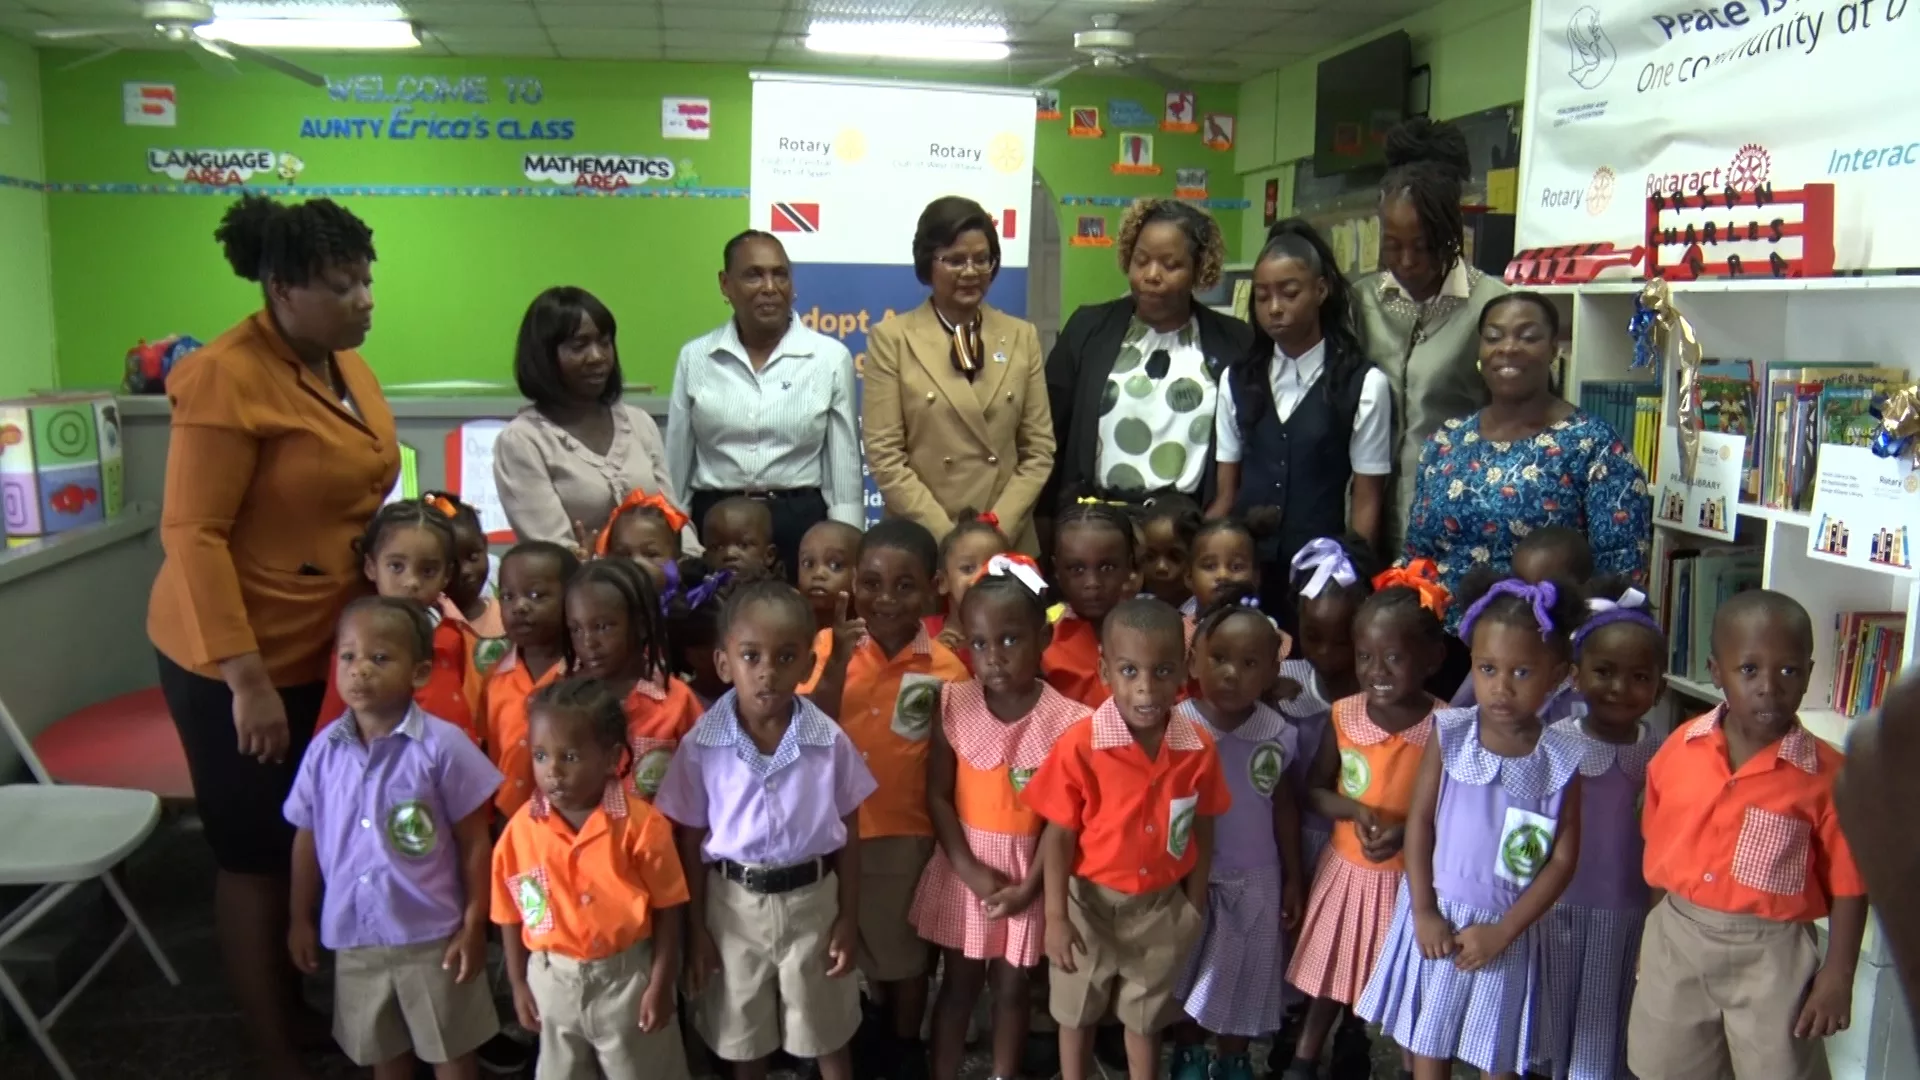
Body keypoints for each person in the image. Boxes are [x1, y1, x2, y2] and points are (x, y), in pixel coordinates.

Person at [147, 193, 396, 1078]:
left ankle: (306, 1006)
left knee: (316, 835)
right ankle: (269, 1039)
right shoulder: (224, 375)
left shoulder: (343, 364)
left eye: (367, 279)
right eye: (342, 285)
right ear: (282, 288)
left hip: (324, 647)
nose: (366, 298)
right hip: (235, 659)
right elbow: (193, 535)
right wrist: (245, 680)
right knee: (254, 850)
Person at [1630, 590, 1867, 1080]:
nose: (1769, 687)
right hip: (1679, 937)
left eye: (1789, 671)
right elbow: (1659, 842)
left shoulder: (1830, 777)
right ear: (1717, 672)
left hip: (1774, 954)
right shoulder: (1682, 748)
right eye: (1749, 670)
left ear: (1809, 671)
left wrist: (1839, 975)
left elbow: (1850, 883)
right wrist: (1656, 934)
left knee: (1778, 1069)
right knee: (1668, 1067)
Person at [1358, 577, 1587, 1080]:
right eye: (1487, 669)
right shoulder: (1452, 732)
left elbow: (1564, 860)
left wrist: (1504, 931)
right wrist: (1422, 910)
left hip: (1506, 929)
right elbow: (1419, 823)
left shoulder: (1563, 757)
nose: (1500, 687)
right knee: (1429, 1045)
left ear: (1558, 675)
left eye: (1522, 672)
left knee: (1498, 1054)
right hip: (1439, 916)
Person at [653, 581, 878, 1080]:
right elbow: (689, 841)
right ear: (723, 662)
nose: (767, 673)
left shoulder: (828, 740)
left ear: (806, 665)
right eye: (751, 656)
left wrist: (847, 918)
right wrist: (697, 931)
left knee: (827, 1031)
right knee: (742, 1036)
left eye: (786, 657)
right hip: (732, 907)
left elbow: (850, 831)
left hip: (814, 902)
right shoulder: (700, 745)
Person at [285, 597, 503, 1079]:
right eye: (348, 657)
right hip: (355, 936)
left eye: (380, 658)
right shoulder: (323, 751)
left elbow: (473, 841)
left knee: (451, 1050)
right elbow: (306, 838)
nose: (360, 670)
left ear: (419, 672)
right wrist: (300, 917)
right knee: (384, 1052)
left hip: (432, 936)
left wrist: (473, 923)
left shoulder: (442, 746)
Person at [1023, 598, 1228, 1080]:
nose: (1145, 688)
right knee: (1076, 1011)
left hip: (1160, 908)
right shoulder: (1080, 744)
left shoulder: (1197, 746)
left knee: (1145, 1013)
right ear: (1105, 671)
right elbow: (1058, 836)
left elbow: (1203, 822)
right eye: (1130, 671)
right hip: (1087, 905)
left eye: (1161, 671)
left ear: (1183, 672)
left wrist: (1193, 903)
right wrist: (1055, 916)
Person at [800, 519, 970, 1079]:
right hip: (836, 829)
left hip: (906, 830)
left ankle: (903, 1042)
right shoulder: (825, 648)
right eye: (871, 582)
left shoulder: (947, 669)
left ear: (933, 588)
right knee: (854, 946)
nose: (885, 599)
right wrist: (837, 669)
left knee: (905, 954)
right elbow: (806, 730)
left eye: (904, 585)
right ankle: (874, 1024)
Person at [913, 556, 1089, 1080]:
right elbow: (938, 797)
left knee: (1012, 989)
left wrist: (1030, 887)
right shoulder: (954, 704)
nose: (992, 657)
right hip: (964, 866)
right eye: (980, 643)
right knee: (958, 985)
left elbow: (1063, 822)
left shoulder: (1067, 722)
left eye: (1010, 640)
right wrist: (967, 868)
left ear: (1043, 636)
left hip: (1029, 873)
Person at [1282, 571, 1447, 1080]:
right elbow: (1314, 790)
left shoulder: (1444, 726)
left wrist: (1407, 832)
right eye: (1365, 657)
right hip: (1347, 873)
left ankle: (1407, 1065)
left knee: (1403, 983)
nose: (1376, 671)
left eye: (1394, 658)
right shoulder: (1344, 714)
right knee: (1331, 976)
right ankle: (1304, 1060)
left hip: (1407, 882)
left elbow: (1448, 810)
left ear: (1432, 660)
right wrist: (1354, 811)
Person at [491, 677, 693, 1080]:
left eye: (569, 756)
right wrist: (518, 982)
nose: (554, 772)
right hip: (553, 980)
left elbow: (670, 908)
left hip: (627, 982)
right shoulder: (519, 833)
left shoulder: (641, 826)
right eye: (541, 756)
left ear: (611, 757)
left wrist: (660, 982)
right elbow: (510, 915)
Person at [1402, 292, 1650, 616]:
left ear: (1552, 350)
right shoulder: (1444, 442)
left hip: (1540, 645)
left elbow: (1618, 576)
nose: (1508, 348)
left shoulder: (1594, 444)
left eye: (1528, 337)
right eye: (1493, 337)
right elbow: (1417, 558)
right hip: (1438, 644)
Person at [1216, 220, 1391, 620]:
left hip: (1322, 575)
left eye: (1289, 293)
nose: (1274, 307)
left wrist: (1351, 575)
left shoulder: (1363, 384)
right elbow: (1228, 491)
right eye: (1262, 297)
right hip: (1249, 571)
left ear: (1321, 290)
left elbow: (1367, 499)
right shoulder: (1237, 378)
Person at [863, 196, 1055, 553]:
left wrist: (996, 530)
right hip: (925, 542)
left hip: (1006, 540)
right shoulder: (892, 339)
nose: (971, 271)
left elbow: (1039, 450)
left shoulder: (1021, 336)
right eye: (954, 260)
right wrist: (949, 539)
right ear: (928, 263)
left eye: (982, 259)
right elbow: (885, 457)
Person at [1351, 118, 1509, 552]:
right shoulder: (1359, 303)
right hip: (1365, 522)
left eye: (1421, 246)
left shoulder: (1494, 307)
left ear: (1450, 234)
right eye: (1391, 244)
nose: (1405, 261)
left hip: (1457, 524)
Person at [668, 230, 863, 578]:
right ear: (725, 284)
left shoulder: (830, 358)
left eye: (780, 274)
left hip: (797, 525)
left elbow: (843, 475)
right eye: (754, 275)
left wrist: (846, 551)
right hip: (716, 526)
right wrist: (679, 541)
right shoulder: (695, 357)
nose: (770, 287)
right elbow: (676, 470)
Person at [1044, 199, 1254, 516]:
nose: (1151, 275)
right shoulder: (1087, 330)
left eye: (1170, 265)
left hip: (1188, 528)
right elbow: (1050, 434)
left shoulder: (1235, 342)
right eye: (1141, 261)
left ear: (1200, 268)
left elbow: (1245, 447)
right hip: (1097, 527)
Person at [1169, 594, 1306, 1080]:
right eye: (1220, 658)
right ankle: (1189, 1053)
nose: (1231, 673)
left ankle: (1232, 1057)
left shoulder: (1278, 732)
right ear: (1194, 660)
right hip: (1191, 876)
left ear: (1271, 672)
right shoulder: (1178, 725)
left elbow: (1283, 808)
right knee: (1191, 969)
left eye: (1250, 664)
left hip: (1256, 876)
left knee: (1245, 973)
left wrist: (1293, 877)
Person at [1541, 581, 1664, 1080]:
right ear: (1575, 676)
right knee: (1551, 1021)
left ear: (1659, 686)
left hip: (1625, 912)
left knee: (1605, 1024)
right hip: (1558, 908)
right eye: (1604, 672)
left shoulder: (1661, 753)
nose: (1619, 688)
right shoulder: (1554, 743)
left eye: (1639, 677)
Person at [494, 286, 686, 551]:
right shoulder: (523, 441)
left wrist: (694, 571)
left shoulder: (638, 422)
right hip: (579, 588)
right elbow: (553, 550)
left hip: (658, 586)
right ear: (545, 357)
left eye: (605, 343)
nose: (597, 357)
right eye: (579, 346)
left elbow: (674, 520)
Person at [316, 501, 485, 743]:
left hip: (449, 767)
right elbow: (331, 726)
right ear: (371, 567)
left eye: (427, 571)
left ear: (446, 575)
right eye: (396, 566)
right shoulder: (355, 641)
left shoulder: (452, 635)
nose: (411, 582)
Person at [1278, 536, 1380, 878]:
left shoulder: (1383, 698)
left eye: (1342, 641)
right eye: (1313, 636)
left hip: (1355, 851)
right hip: (1290, 845)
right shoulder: (1284, 688)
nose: (1325, 653)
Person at [564, 559, 703, 802]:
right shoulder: (558, 694)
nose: (588, 642)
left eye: (602, 627)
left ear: (640, 625)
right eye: (576, 629)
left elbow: (702, 789)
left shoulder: (677, 702)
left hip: (657, 837)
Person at [485, 541, 579, 816]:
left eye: (537, 595)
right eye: (507, 596)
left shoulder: (584, 677)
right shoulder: (495, 678)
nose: (520, 607)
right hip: (509, 824)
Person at [1044, 500, 1139, 710]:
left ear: (1128, 565)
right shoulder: (1043, 636)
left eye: (1107, 567)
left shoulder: (1150, 631)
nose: (1092, 583)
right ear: (1057, 570)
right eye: (1076, 569)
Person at [425, 490, 505, 651]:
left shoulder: (508, 616)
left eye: (473, 557)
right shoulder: (427, 625)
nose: (466, 571)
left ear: (484, 544)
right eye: (452, 563)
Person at [927, 509, 1011, 654]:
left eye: (993, 566)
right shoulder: (922, 632)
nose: (981, 575)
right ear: (942, 582)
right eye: (968, 569)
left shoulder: (1013, 633)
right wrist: (936, 657)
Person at [597, 489, 689, 590]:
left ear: (677, 559)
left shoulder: (696, 601)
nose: (637, 563)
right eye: (623, 555)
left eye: (651, 554)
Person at [1136, 495, 1203, 611]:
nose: (1161, 567)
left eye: (1175, 557)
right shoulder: (1136, 607)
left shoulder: (1206, 616)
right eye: (1150, 557)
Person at [798, 520, 862, 633]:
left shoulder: (871, 632)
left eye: (835, 565)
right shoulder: (787, 627)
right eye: (808, 563)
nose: (818, 573)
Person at [702, 495, 782, 579]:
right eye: (717, 547)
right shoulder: (701, 591)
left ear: (769, 555)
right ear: (706, 558)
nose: (729, 554)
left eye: (743, 545)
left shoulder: (780, 591)